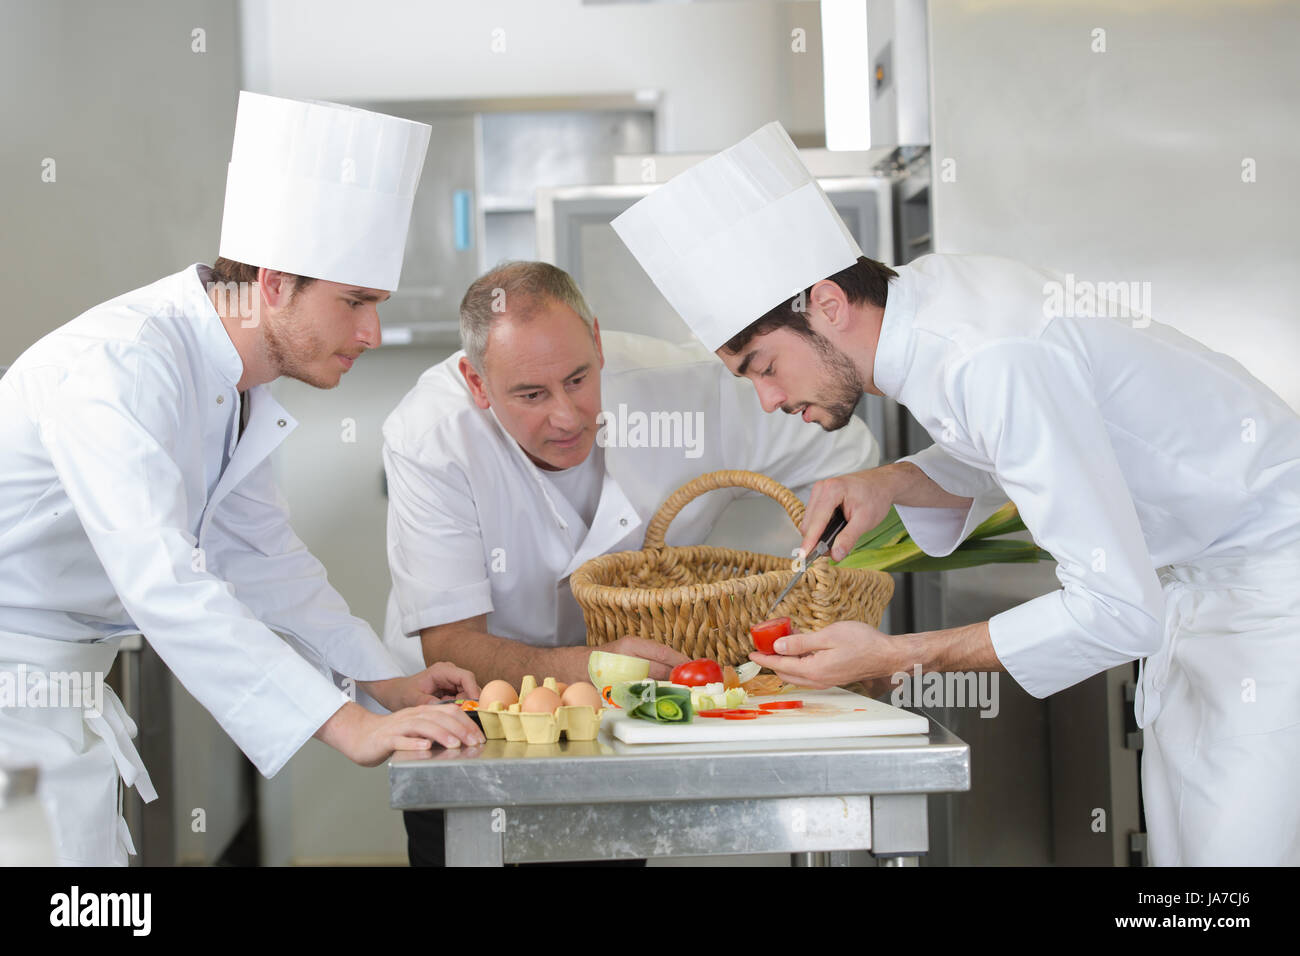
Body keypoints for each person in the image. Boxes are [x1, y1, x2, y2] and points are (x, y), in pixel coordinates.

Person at [612, 121, 1300, 866]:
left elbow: (1117, 611)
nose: (769, 400)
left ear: (828, 303)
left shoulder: (986, 354)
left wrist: (895, 655)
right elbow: (1006, 448)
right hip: (1201, 597)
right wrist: (891, 481)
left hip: (1273, 599)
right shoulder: (934, 309)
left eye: (764, 365)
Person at [0, 92, 483, 866]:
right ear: (272, 282)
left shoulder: (236, 385)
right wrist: (345, 724)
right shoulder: (123, 364)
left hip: (59, 699)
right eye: (355, 302)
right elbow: (165, 579)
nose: (372, 332)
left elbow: (264, 561)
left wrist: (384, 682)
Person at [382, 260, 881, 864]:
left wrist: (808, 589)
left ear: (596, 341)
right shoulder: (430, 435)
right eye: (531, 395)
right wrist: (589, 668)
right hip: (472, 722)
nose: (566, 416)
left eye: (578, 379)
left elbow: (848, 460)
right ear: (478, 383)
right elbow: (451, 644)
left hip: (622, 726)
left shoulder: (691, 394)